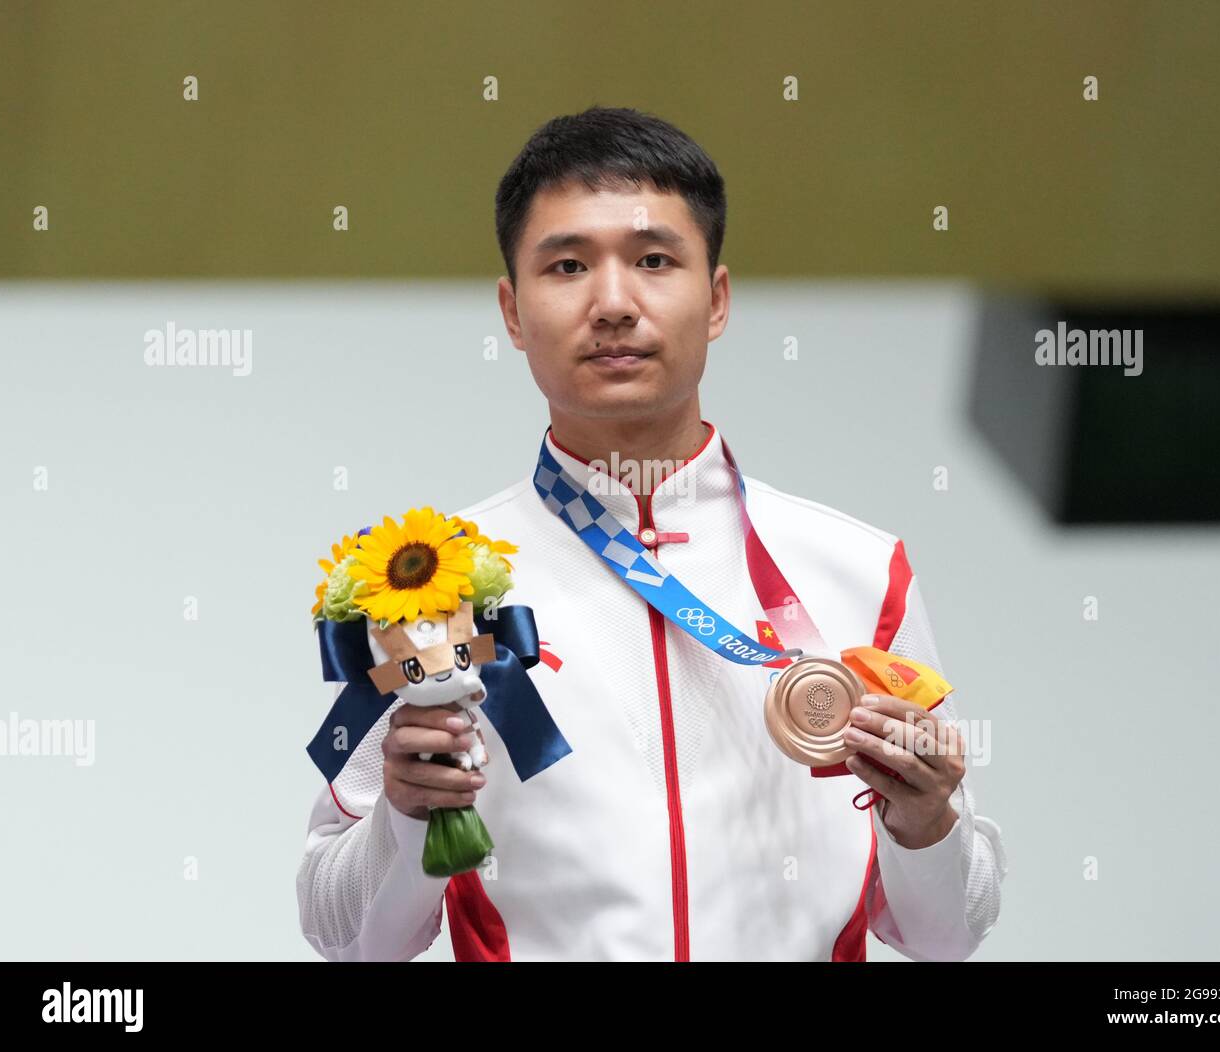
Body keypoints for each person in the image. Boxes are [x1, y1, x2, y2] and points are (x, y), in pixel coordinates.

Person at [296, 106, 1007, 962]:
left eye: (654, 260)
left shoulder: (861, 571)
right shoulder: (428, 584)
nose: (613, 303)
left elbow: (952, 932)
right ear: (512, 312)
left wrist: (926, 819)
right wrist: (404, 821)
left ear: (716, 300)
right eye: (566, 265)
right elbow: (338, 931)